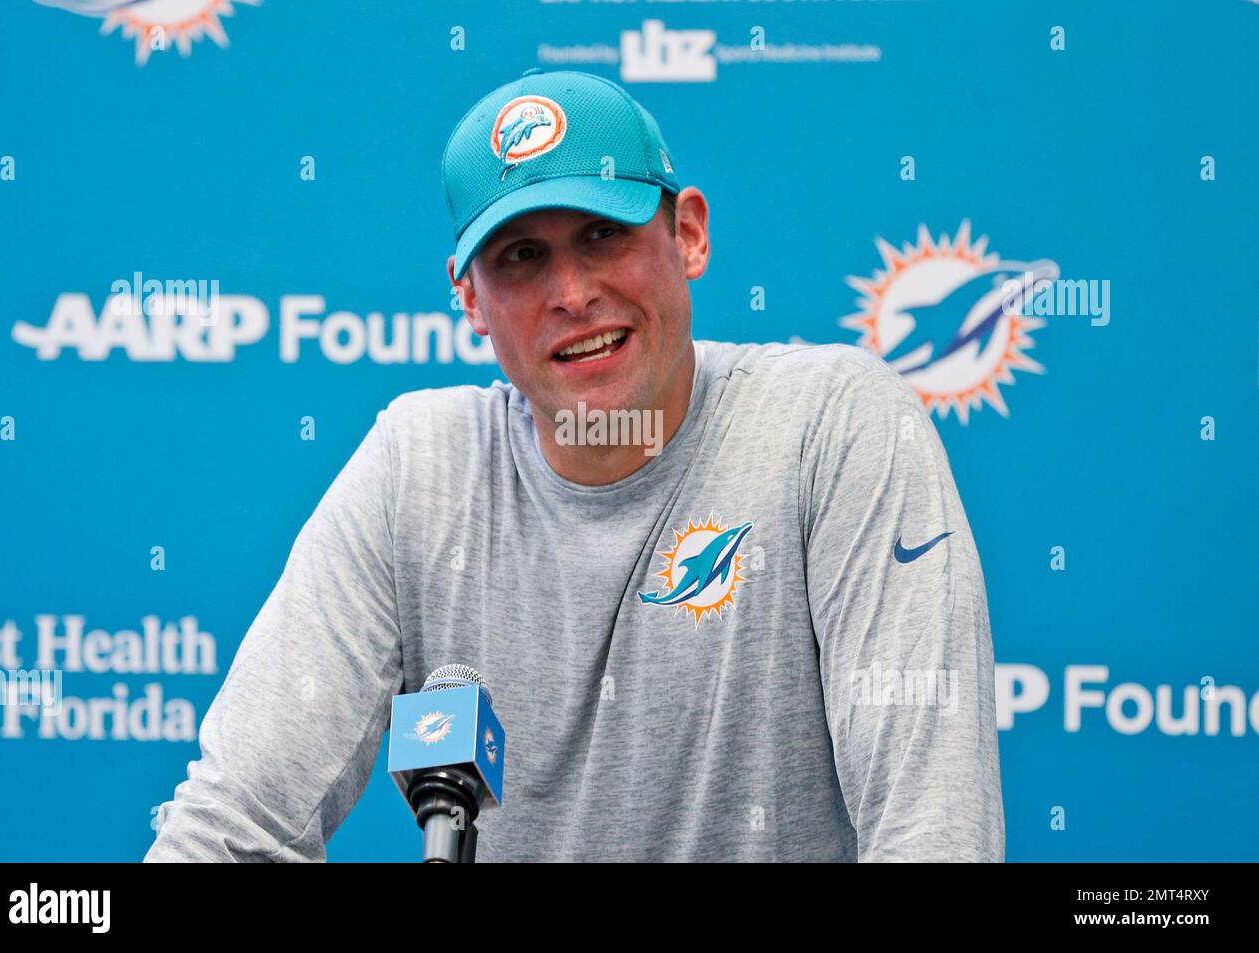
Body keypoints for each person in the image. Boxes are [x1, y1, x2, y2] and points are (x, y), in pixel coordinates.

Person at [144, 68, 1005, 862]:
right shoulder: (419, 467)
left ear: (690, 234)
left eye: (601, 233)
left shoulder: (834, 426)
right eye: (522, 256)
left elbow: (932, 831)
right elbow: (232, 823)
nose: (571, 291)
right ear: (470, 298)